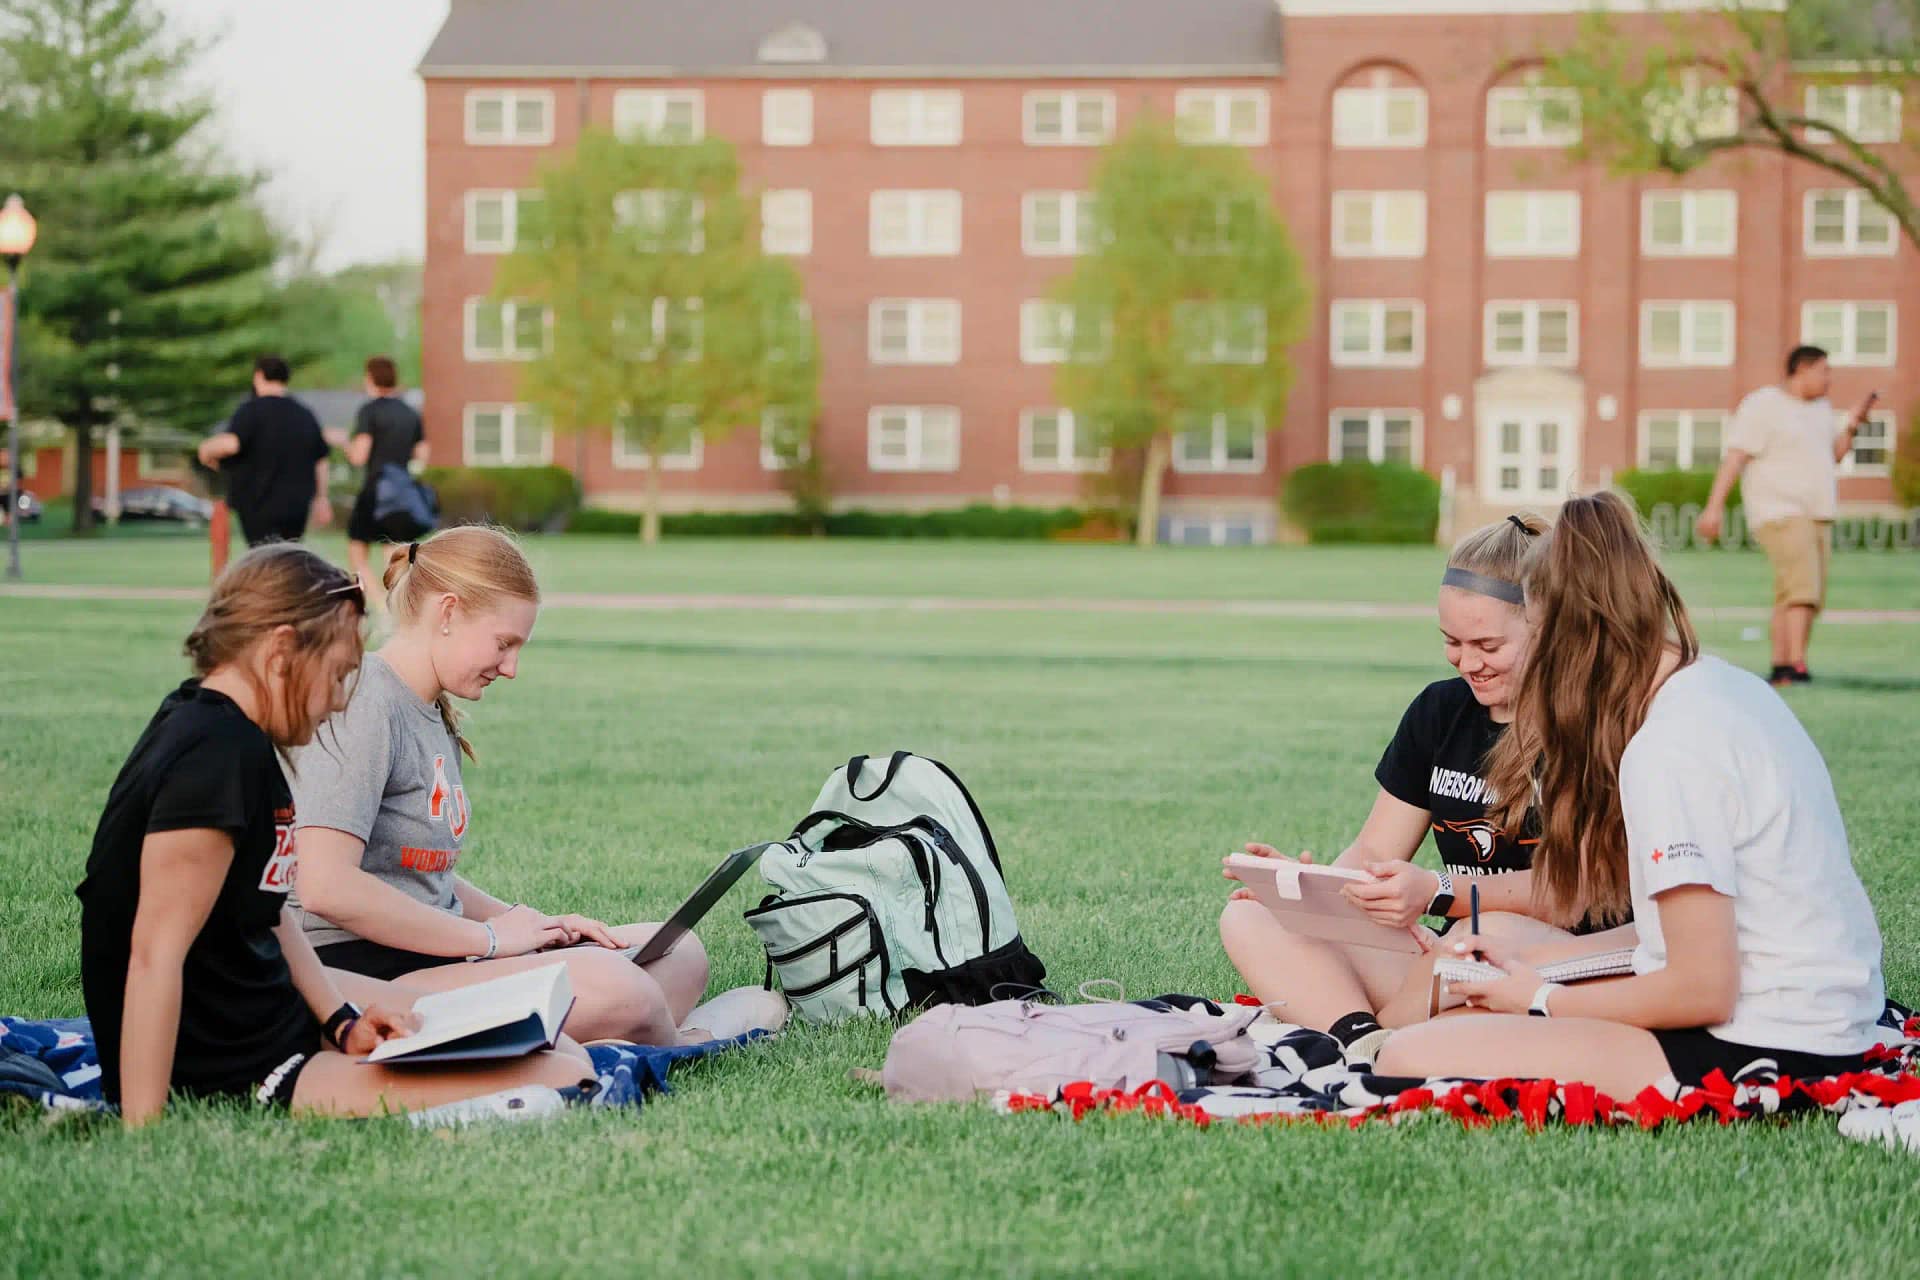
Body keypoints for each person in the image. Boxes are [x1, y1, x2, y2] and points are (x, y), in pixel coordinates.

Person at [1378, 493, 1886, 1100]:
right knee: (1464, 1000)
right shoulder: (1722, 687)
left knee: (1409, 1052)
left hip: (1766, 1044)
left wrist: (1541, 999)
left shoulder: (1667, 749)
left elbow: (1702, 989)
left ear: (1571, 639)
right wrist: (1533, 968)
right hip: (1823, 1016)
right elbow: (1670, 938)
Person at [77, 544, 597, 1124]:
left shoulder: (234, 736)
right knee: (565, 1073)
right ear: (280, 652)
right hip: (240, 1064)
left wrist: (342, 1022)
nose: (337, 701)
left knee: (560, 1051)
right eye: (337, 675)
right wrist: (142, 1126)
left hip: (274, 1018)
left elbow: (269, 912)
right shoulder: (211, 758)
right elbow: (152, 955)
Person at [286, 524, 786, 1045]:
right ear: (448, 612)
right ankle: (681, 1042)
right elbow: (325, 886)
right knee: (622, 988)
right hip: (369, 976)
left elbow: (417, 873)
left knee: (681, 953)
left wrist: (535, 925)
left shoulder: (430, 712)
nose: (511, 668)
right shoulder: (365, 702)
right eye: (504, 644)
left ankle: (619, 1034)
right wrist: (489, 939)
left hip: (437, 958)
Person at [1219, 514, 1631, 1063]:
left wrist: (1437, 891)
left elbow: (1574, 892)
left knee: (1484, 935)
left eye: (1487, 644)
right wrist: (1309, 893)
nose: (1468, 662)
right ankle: (1366, 1044)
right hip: (1446, 958)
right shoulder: (1440, 710)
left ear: (1552, 629)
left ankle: (1363, 1027)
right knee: (1249, 918)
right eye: (1452, 642)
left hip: (1556, 963)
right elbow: (1373, 851)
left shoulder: (1591, 727)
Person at [1697, 345, 1878, 687]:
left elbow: (1835, 455)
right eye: (1824, 371)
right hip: (1779, 510)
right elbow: (1736, 457)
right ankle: (1797, 665)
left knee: (1795, 591)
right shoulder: (1763, 404)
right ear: (1802, 370)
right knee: (1803, 587)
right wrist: (1714, 507)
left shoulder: (1821, 409)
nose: (1829, 379)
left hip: (1817, 512)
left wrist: (1852, 425)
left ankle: (1781, 667)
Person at [197, 355, 333, 547]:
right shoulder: (304, 414)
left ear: (259, 376)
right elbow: (321, 459)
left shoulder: (250, 411)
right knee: (288, 555)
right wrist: (321, 498)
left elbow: (231, 444)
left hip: (257, 502)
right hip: (296, 504)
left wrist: (205, 450)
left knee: (263, 556)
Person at [345, 355, 428, 605]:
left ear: (370, 378)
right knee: (393, 554)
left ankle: (380, 605)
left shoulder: (369, 411)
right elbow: (422, 454)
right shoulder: (410, 413)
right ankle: (398, 605)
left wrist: (345, 443)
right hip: (401, 491)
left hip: (374, 490)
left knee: (357, 553)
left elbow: (359, 456)